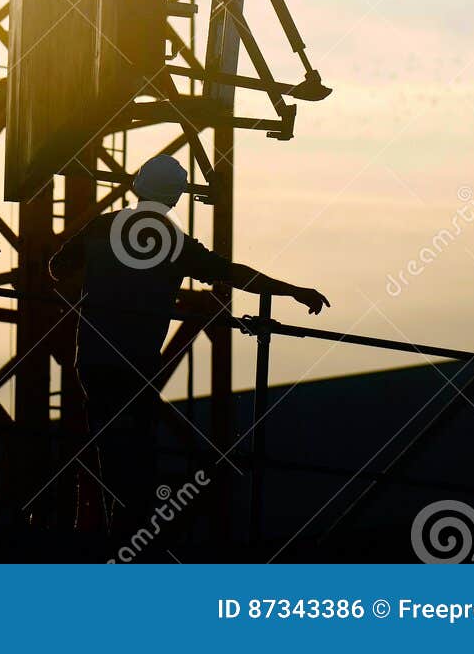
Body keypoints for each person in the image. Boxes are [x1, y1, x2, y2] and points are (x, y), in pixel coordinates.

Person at [49, 153, 329, 545]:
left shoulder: (104, 227)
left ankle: (105, 543)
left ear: (138, 186)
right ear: (176, 198)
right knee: (137, 462)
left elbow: (58, 267)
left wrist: (96, 283)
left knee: (108, 451)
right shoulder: (175, 244)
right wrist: (291, 291)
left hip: (94, 357)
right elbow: (232, 273)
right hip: (139, 364)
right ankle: (127, 547)